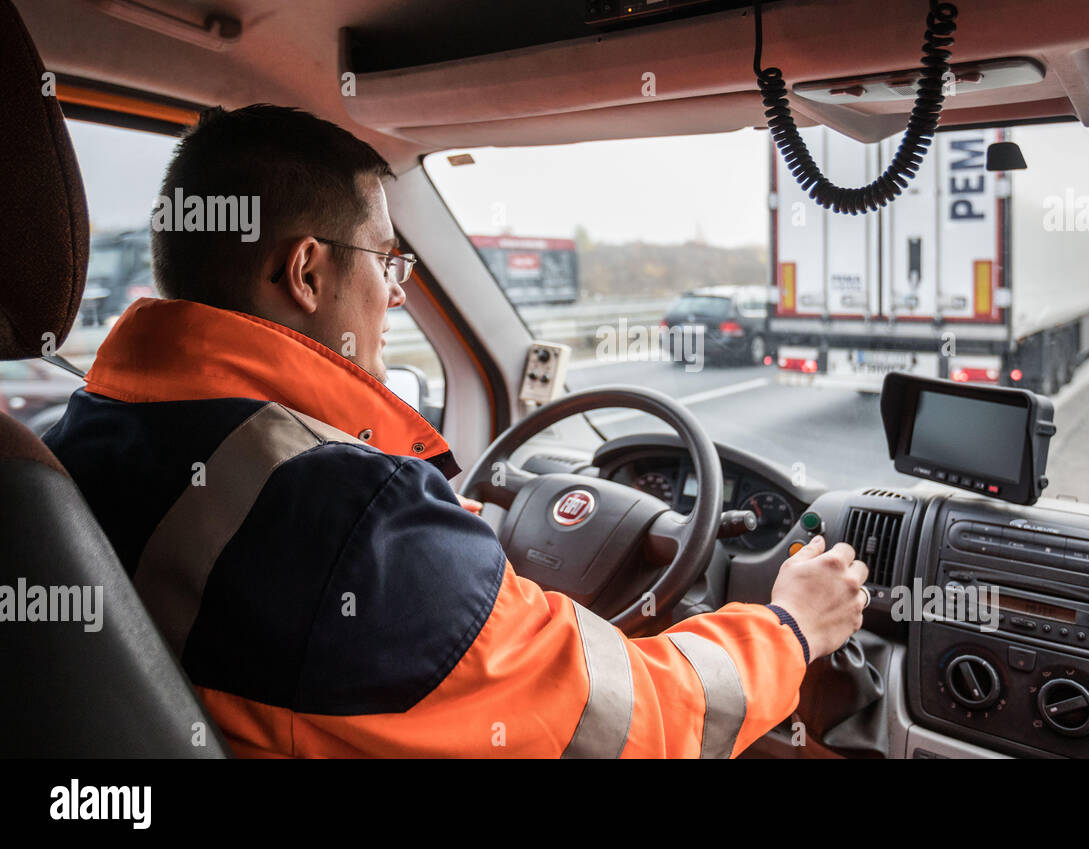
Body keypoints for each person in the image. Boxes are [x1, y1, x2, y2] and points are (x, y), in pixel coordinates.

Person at [43, 104, 869, 758]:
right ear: (306, 272)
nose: (397, 292)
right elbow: (631, 723)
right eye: (389, 261)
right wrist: (792, 625)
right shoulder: (352, 517)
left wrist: (452, 560)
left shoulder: (67, 439)